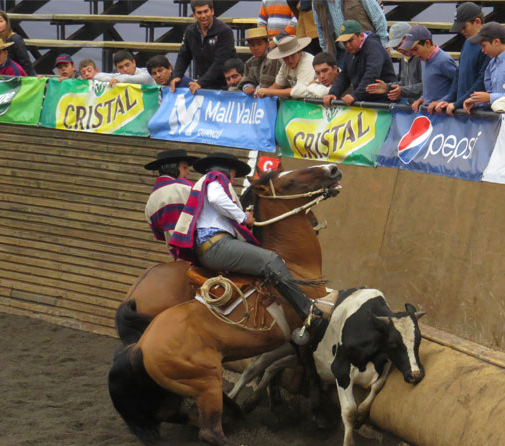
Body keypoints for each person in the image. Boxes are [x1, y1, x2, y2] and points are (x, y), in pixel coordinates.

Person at [168, 152, 322, 345]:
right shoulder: (215, 180)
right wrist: (242, 217)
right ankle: (308, 313)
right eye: (234, 174)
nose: (233, 180)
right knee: (271, 261)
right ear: (228, 171)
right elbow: (217, 199)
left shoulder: (207, 182)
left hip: (215, 244)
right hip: (217, 245)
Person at [427, 2, 490, 115]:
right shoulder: (467, 43)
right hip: (465, 109)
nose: (461, 31)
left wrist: (458, 103)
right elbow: (458, 75)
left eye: (464, 27)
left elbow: (482, 81)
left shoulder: (486, 47)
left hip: (477, 111)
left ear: (477, 22)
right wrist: (448, 99)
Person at [322, 20, 396, 106]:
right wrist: (333, 93)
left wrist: (355, 95)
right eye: (344, 42)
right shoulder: (350, 51)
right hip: (368, 101)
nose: (348, 45)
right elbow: (344, 75)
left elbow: (371, 75)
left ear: (361, 36)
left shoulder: (373, 47)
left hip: (385, 101)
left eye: (350, 40)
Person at [172, 0, 236, 94]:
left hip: (226, 84)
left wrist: (200, 83)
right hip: (203, 84)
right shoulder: (190, 31)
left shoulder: (225, 31)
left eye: (206, 11)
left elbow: (220, 62)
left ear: (212, 11)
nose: (203, 16)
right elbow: (183, 56)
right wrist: (177, 76)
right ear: (194, 15)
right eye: (199, 12)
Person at [462, 22, 505, 113]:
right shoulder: (492, 63)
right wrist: (477, 101)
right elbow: (491, 94)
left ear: (496, 42)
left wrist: (489, 97)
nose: (483, 50)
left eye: (484, 46)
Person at [143, 149, 198, 246]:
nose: (188, 172)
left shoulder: (150, 201)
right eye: (184, 168)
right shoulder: (185, 187)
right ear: (172, 168)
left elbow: (159, 235)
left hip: (176, 251)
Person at [398, 25, 457, 112]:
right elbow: (429, 87)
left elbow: (459, 84)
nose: (414, 54)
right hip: (432, 115)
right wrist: (422, 99)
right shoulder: (424, 59)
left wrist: (443, 101)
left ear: (427, 43)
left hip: (442, 116)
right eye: (411, 51)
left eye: (416, 49)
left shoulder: (444, 60)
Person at [366, 22, 423, 104]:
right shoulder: (404, 58)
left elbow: (425, 86)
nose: (399, 49)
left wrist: (401, 90)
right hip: (413, 106)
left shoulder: (421, 57)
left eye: (400, 44)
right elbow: (404, 82)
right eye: (395, 47)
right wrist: (387, 87)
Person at [312, 0, 388, 58]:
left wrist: (382, 44)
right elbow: (321, 30)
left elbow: (378, 18)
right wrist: (327, 55)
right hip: (340, 54)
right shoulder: (317, 2)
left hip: (368, 49)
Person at [0, 10, 35, 76]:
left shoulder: (15, 39)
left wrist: (27, 79)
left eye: (1, 21)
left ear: (6, 23)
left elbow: (25, 63)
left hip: (16, 74)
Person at [241, 27, 282, 95]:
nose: (256, 48)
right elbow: (247, 80)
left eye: (259, 44)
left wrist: (257, 90)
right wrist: (247, 87)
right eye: (252, 45)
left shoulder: (273, 59)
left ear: (267, 44)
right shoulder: (249, 63)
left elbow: (266, 85)